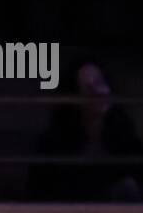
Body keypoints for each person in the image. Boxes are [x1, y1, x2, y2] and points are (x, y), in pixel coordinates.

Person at [29, 57, 143, 203]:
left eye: (100, 83)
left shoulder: (125, 137)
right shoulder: (52, 145)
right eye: (89, 88)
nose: (99, 92)